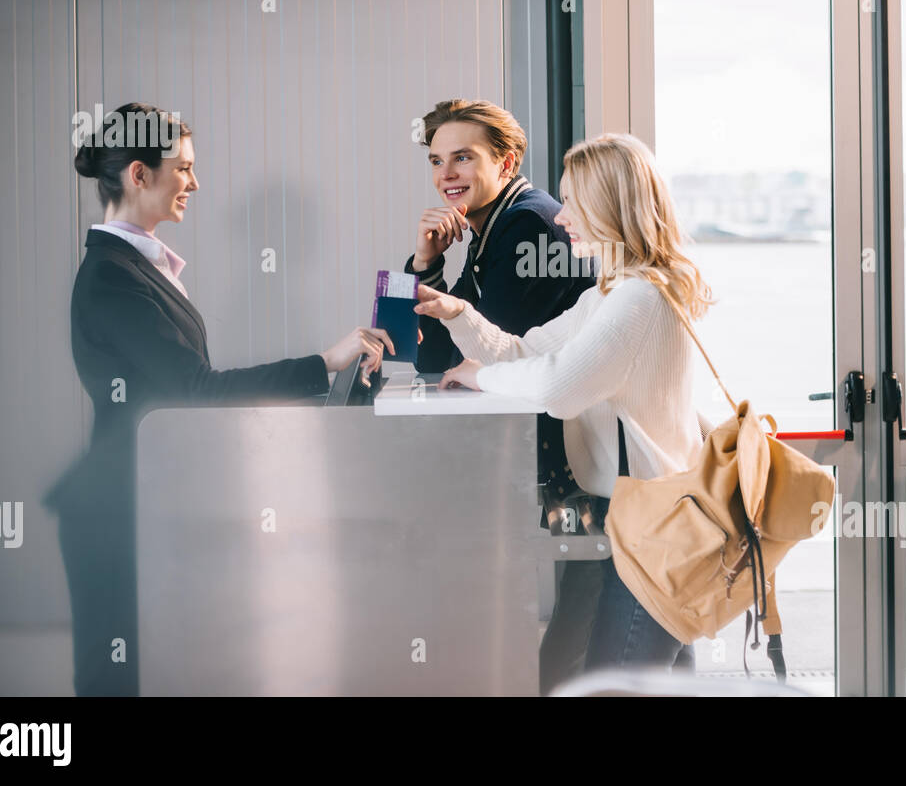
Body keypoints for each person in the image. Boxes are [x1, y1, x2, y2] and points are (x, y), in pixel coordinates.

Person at [45, 102, 373, 696]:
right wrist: (324, 363)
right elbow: (196, 390)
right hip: (116, 504)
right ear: (139, 175)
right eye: (185, 169)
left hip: (145, 496)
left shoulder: (137, 264)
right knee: (118, 674)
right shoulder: (115, 275)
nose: (195, 183)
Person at [416, 132, 709, 673]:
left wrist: (482, 379)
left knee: (610, 682)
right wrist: (457, 313)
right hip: (634, 526)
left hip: (653, 531)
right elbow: (523, 351)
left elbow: (558, 388)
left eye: (575, 201)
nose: (563, 216)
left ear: (609, 206)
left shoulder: (641, 297)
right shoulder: (607, 295)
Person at [355, 98, 616, 693]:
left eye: (464, 158)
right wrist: (424, 260)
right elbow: (416, 351)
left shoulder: (527, 226)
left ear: (507, 160)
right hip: (553, 450)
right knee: (584, 615)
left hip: (571, 459)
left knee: (586, 620)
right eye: (437, 160)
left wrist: (432, 281)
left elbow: (462, 355)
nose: (447, 174)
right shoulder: (486, 229)